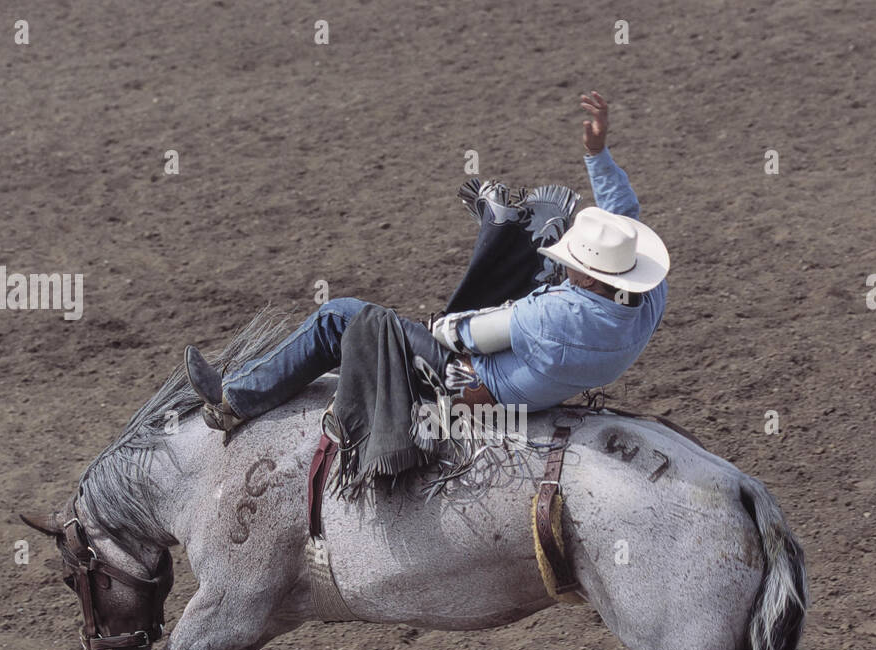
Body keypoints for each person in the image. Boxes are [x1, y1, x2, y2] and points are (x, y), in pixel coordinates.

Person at [185, 91, 670, 433]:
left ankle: (233, 403)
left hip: (472, 387)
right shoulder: (647, 299)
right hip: (541, 376)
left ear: (588, 273)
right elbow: (622, 216)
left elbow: (465, 335)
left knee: (342, 318)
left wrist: (428, 327)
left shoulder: (553, 314)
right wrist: (597, 154)